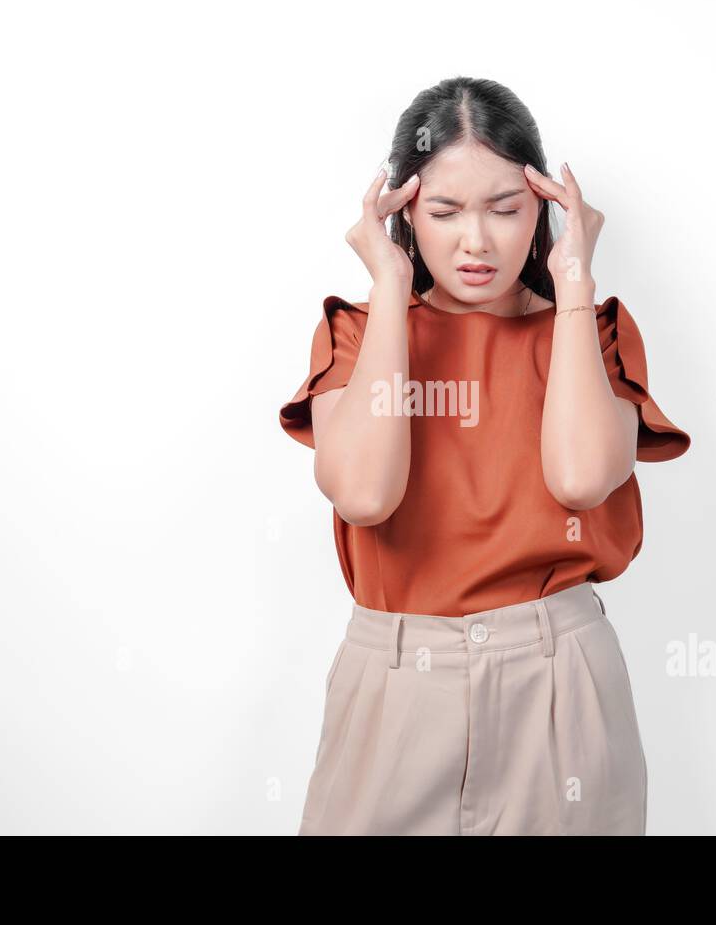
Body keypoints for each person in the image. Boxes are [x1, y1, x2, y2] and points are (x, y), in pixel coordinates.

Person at [278, 76, 691, 835]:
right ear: (402, 212)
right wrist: (393, 287)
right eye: (444, 212)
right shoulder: (354, 334)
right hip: (396, 685)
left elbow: (581, 479)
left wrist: (572, 285)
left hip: (559, 684)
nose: (477, 240)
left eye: (505, 209)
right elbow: (365, 495)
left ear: (543, 207)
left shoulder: (593, 330)